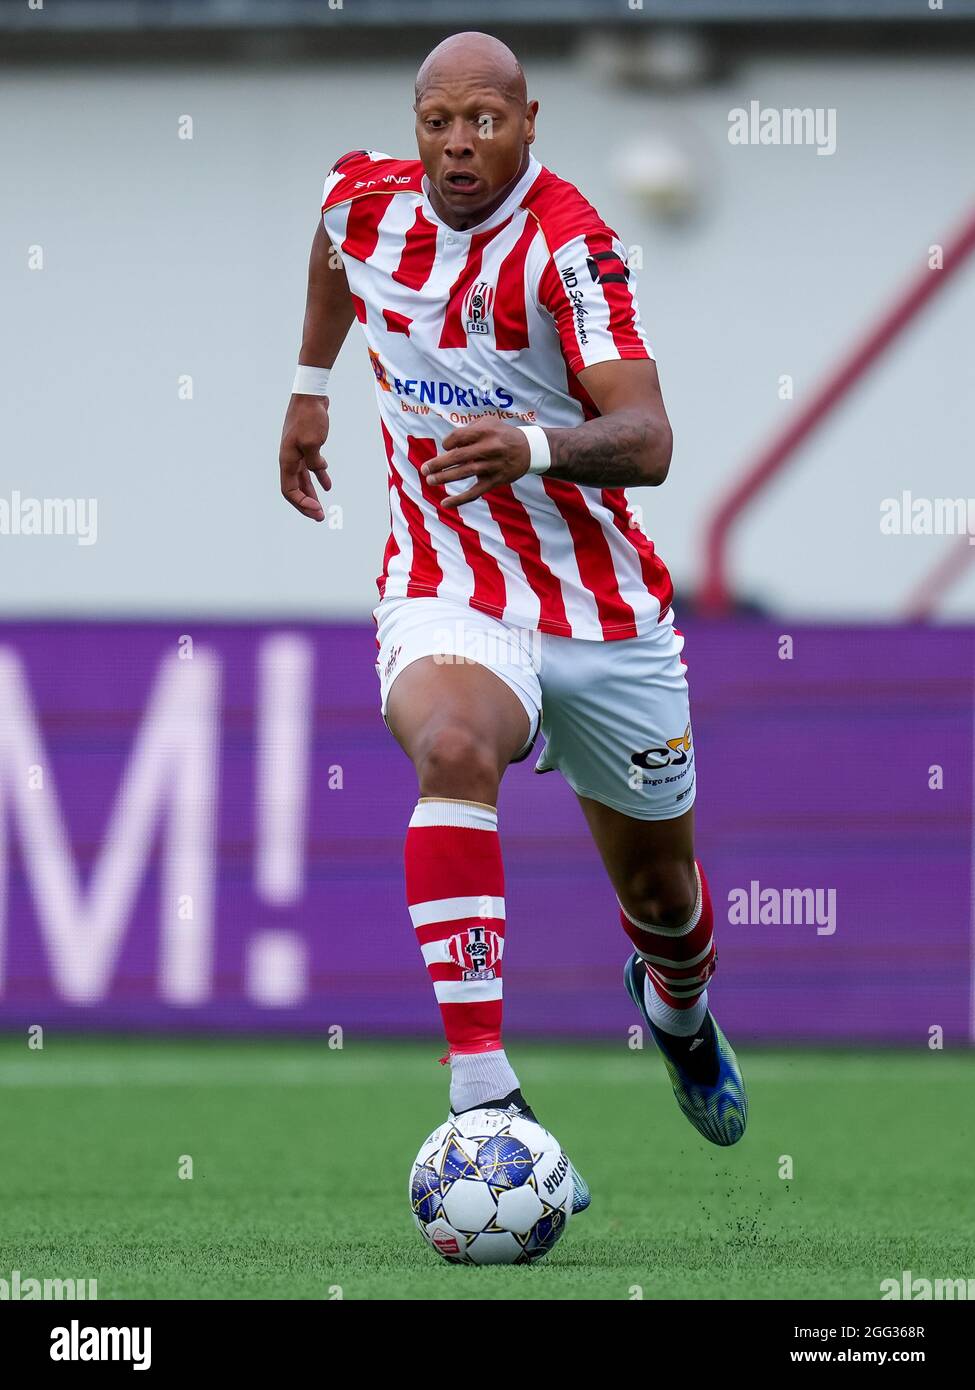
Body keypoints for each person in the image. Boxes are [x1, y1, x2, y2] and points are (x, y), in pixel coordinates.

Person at [279, 31, 747, 1213]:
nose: (458, 145)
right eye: (439, 121)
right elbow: (333, 248)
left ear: (530, 122)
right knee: (450, 747)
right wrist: (308, 389)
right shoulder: (366, 200)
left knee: (663, 899)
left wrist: (533, 445)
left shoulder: (572, 246)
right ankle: (483, 1089)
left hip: (601, 612)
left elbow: (649, 438)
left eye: (484, 121)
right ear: (417, 125)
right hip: (447, 585)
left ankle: (679, 1013)